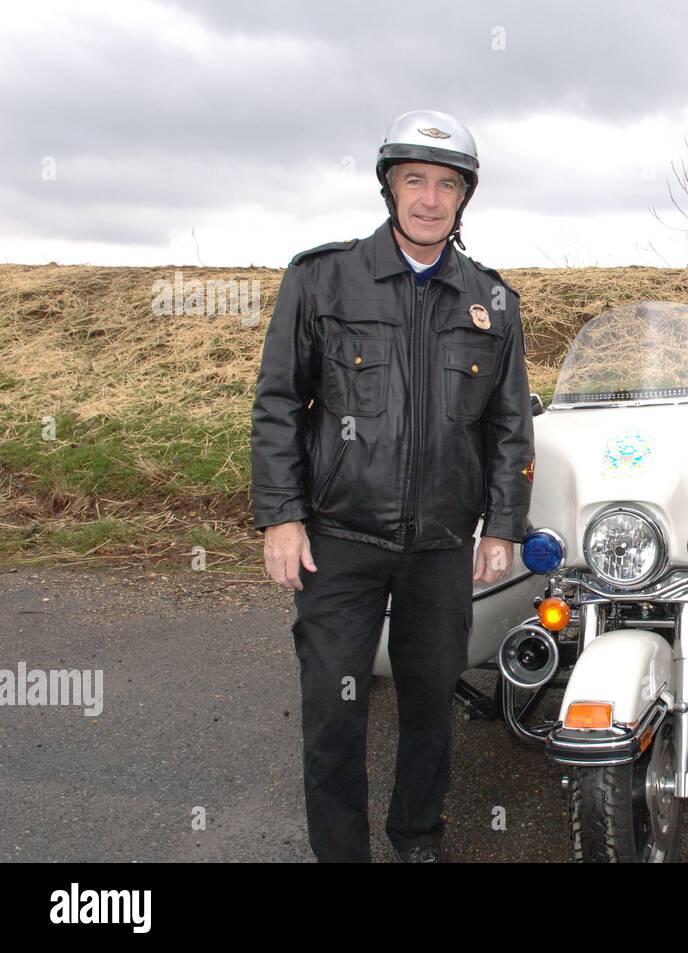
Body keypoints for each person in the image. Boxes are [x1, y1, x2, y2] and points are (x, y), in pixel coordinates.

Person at [250, 109, 534, 862]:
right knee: (334, 714)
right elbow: (279, 402)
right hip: (338, 540)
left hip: (440, 546)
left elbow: (510, 425)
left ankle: (417, 838)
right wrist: (281, 516)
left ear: (464, 197)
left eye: (447, 184)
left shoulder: (494, 301)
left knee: (429, 708)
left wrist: (502, 524)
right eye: (415, 180)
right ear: (389, 187)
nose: (430, 199)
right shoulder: (323, 279)